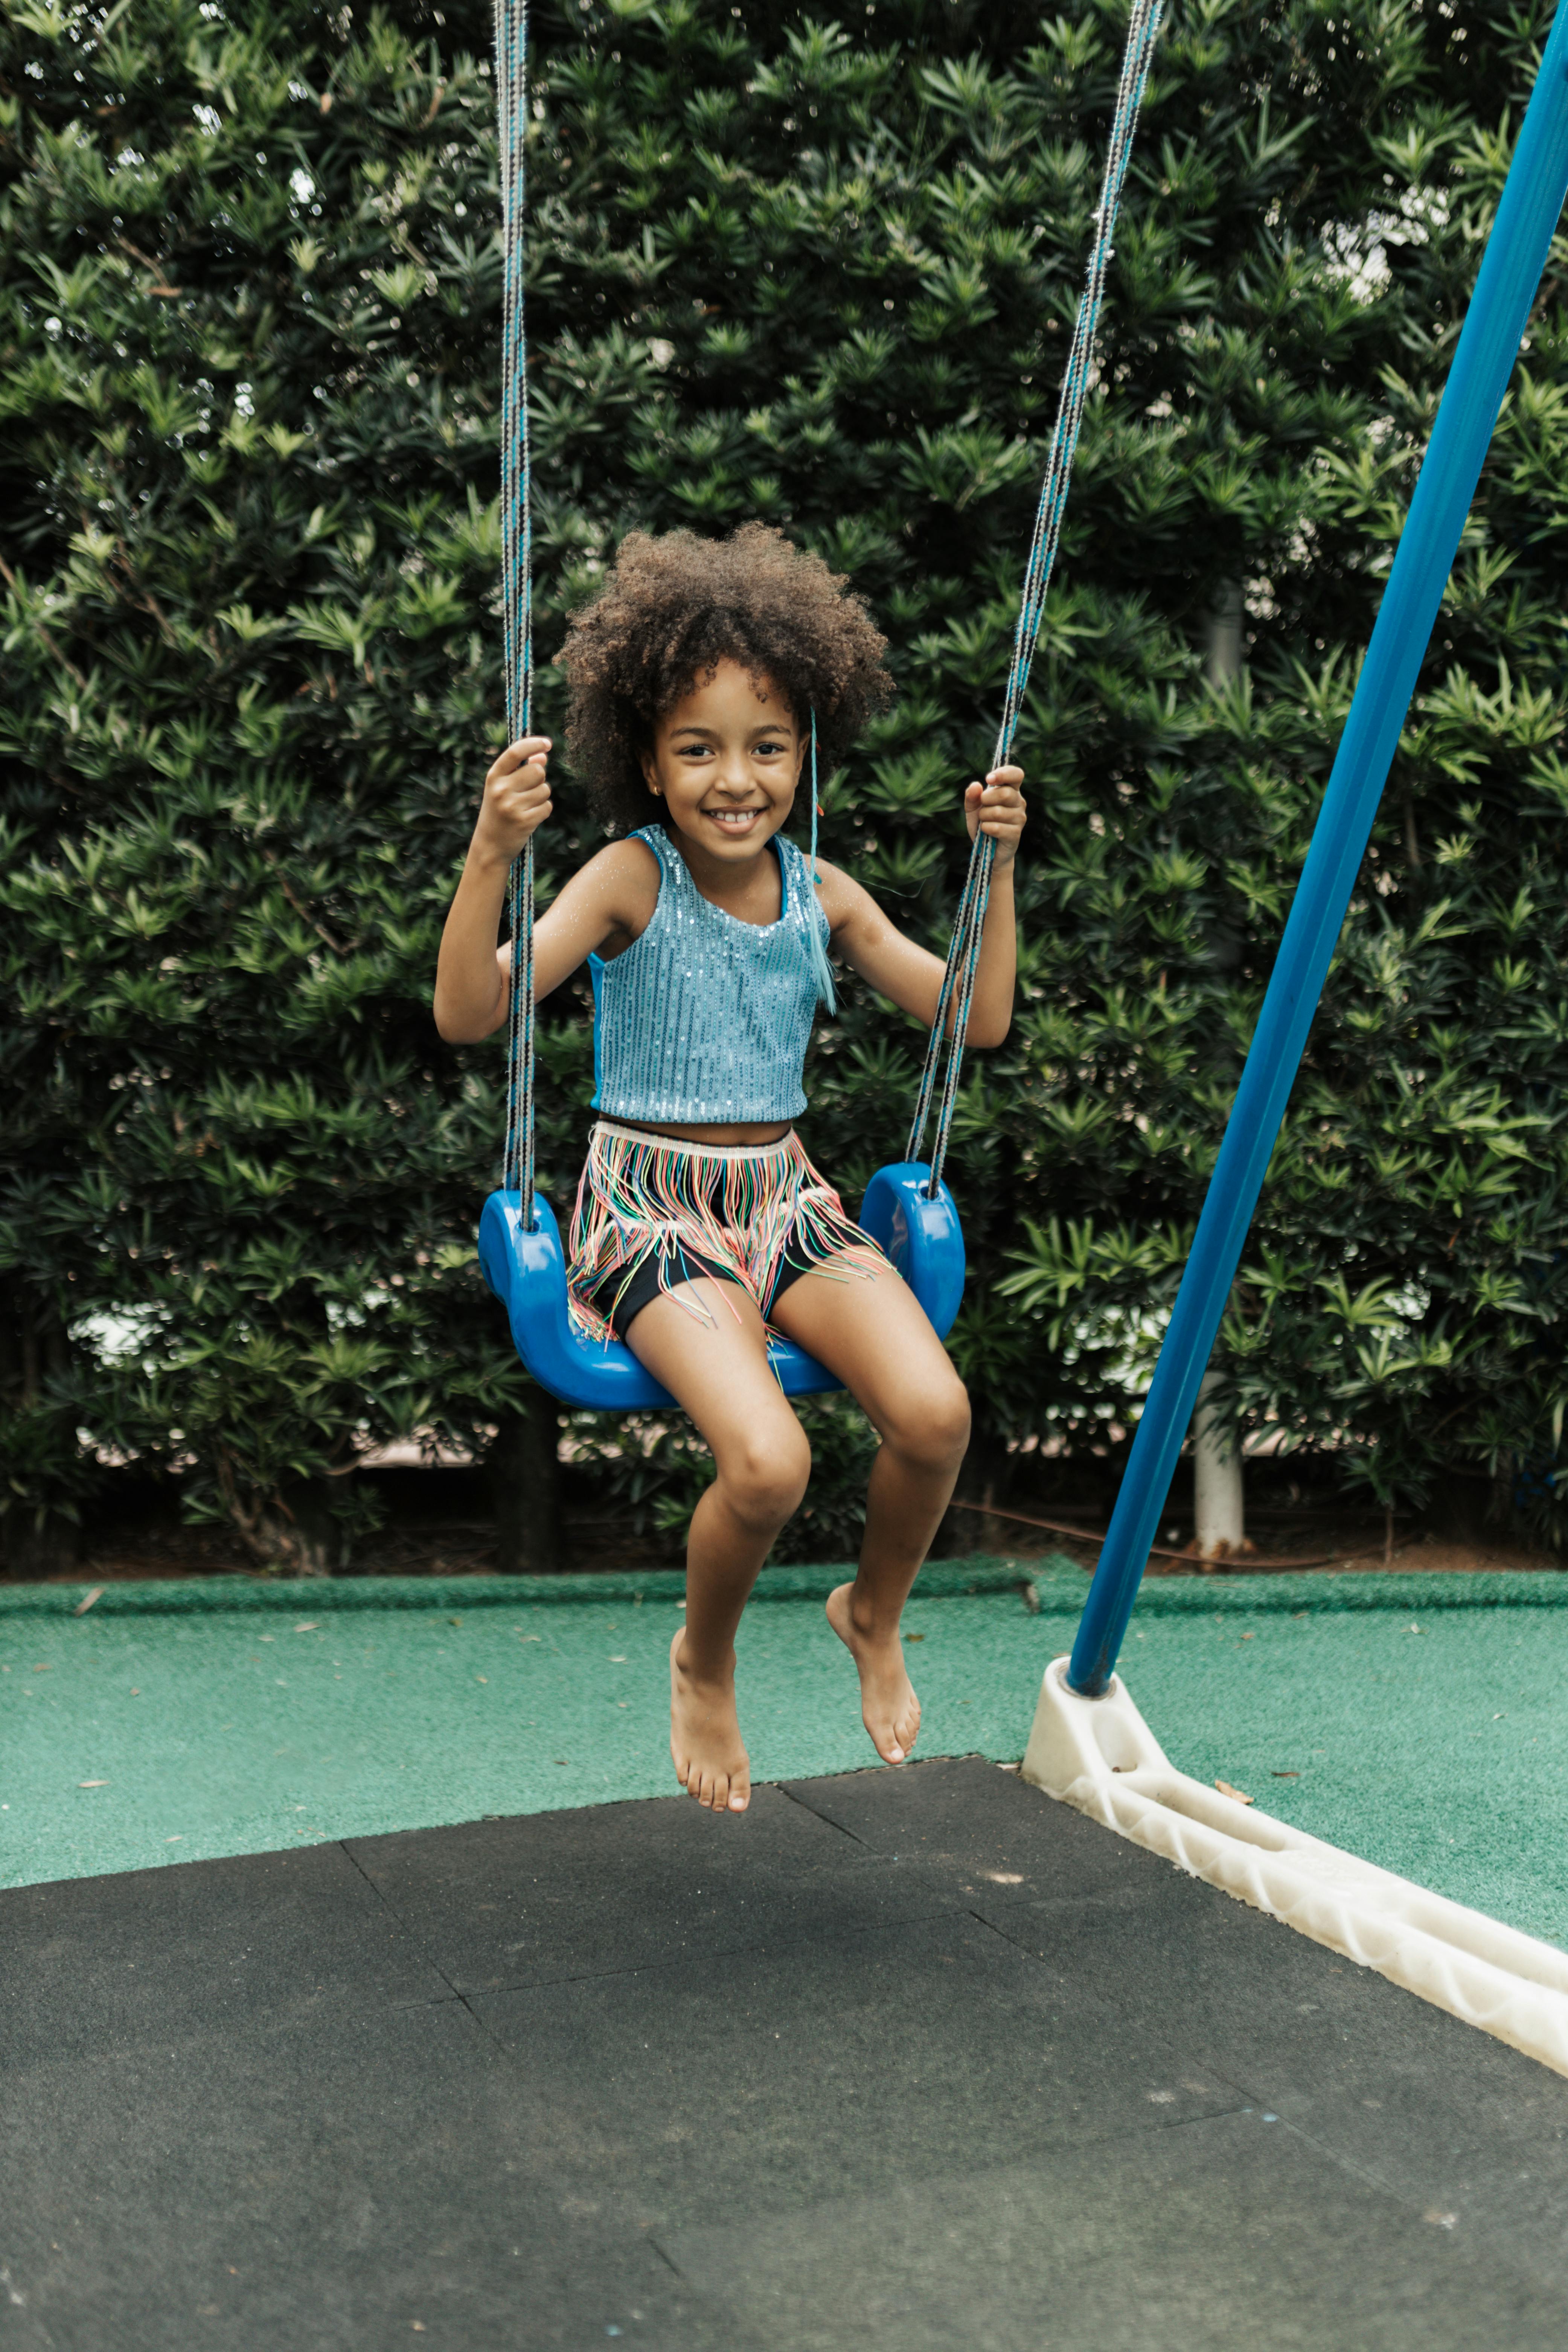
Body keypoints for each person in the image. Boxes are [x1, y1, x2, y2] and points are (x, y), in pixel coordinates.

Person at [435, 525, 1025, 1815]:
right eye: (697, 749)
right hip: (651, 1215)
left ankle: (873, 1611)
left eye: (768, 747)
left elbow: (974, 1020)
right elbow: (472, 1012)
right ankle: (704, 1660)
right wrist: (491, 852)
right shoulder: (625, 879)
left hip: (787, 1203)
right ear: (648, 761)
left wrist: (996, 868)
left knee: (936, 1417)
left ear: (805, 753)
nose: (736, 779)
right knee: (766, 1463)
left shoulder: (824, 893)